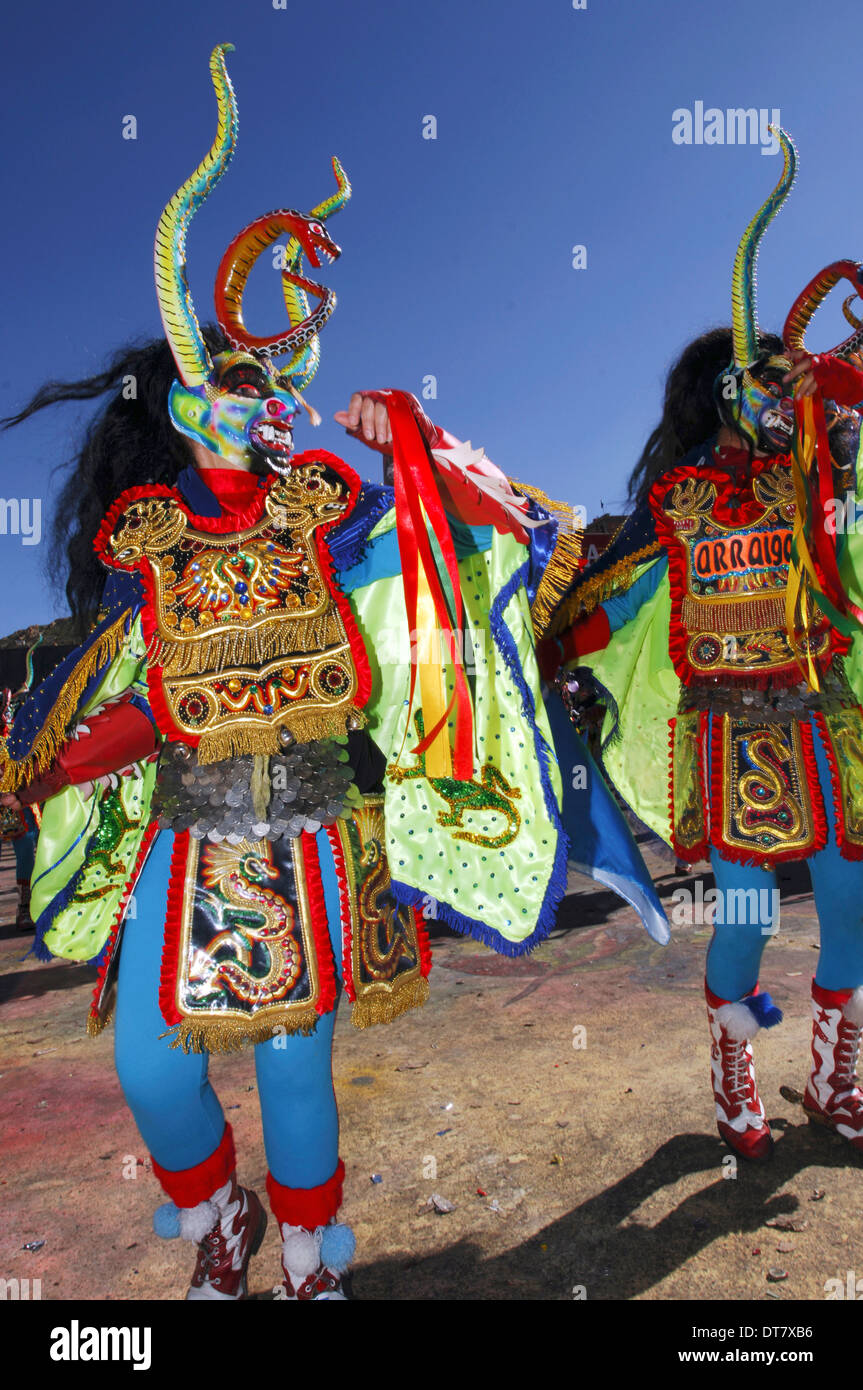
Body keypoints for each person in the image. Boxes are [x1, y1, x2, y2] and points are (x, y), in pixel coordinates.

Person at [0, 43, 665, 1300]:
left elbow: (468, 558)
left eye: (270, 381)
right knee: (152, 1067)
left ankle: (310, 1254)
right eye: (233, 382)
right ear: (185, 401)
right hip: (187, 845)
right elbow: (150, 702)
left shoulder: (337, 523)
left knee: (297, 1072)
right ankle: (221, 1219)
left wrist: (407, 440)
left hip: (308, 835)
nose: (260, 399)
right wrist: (45, 761)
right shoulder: (150, 552)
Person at [540, 129, 863, 1163]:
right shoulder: (673, 502)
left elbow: (848, 547)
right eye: (767, 382)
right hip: (731, 742)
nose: (784, 397)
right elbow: (609, 602)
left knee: (854, 901)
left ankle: (830, 1075)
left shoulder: (813, 479)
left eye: (789, 382)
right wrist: (548, 650)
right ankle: (734, 1072)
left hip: (827, 721)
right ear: (726, 394)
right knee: (747, 914)